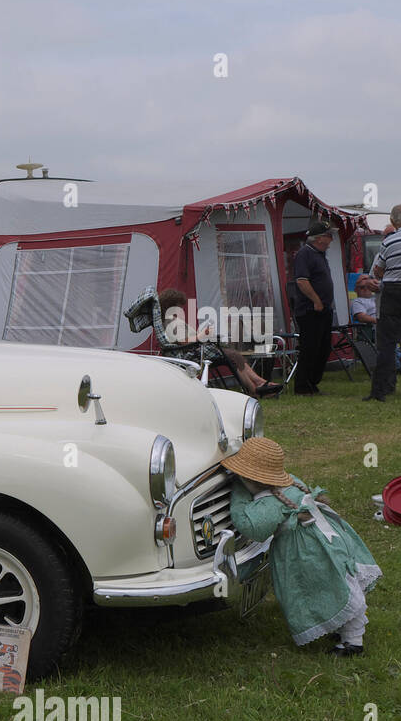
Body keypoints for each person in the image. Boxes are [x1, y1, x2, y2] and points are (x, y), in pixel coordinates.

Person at [225, 437, 380, 656]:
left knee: (327, 587)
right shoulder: (291, 483)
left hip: (308, 552)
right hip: (329, 538)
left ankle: (353, 642)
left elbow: (251, 527)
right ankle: (343, 628)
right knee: (338, 581)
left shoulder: (270, 503)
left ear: (250, 480)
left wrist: (238, 493)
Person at [158, 288, 282, 397]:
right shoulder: (171, 322)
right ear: (170, 305)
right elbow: (184, 342)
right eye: (179, 306)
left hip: (195, 349)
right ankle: (255, 388)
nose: (181, 309)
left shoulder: (171, 320)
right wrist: (201, 336)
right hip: (193, 353)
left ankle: (258, 383)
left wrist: (203, 335)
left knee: (234, 355)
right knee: (234, 356)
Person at [364, 205, 401, 400]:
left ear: (393, 221)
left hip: (394, 294)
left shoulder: (389, 242)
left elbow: (378, 270)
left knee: (387, 345)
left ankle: (380, 391)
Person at [290, 221, 337, 395]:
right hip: (310, 310)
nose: (331, 239)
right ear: (320, 238)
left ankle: (312, 382)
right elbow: (302, 281)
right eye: (329, 235)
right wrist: (316, 301)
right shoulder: (305, 254)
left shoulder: (320, 254)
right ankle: (302, 386)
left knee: (323, 348)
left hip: (323, 309)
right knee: (310, 348)